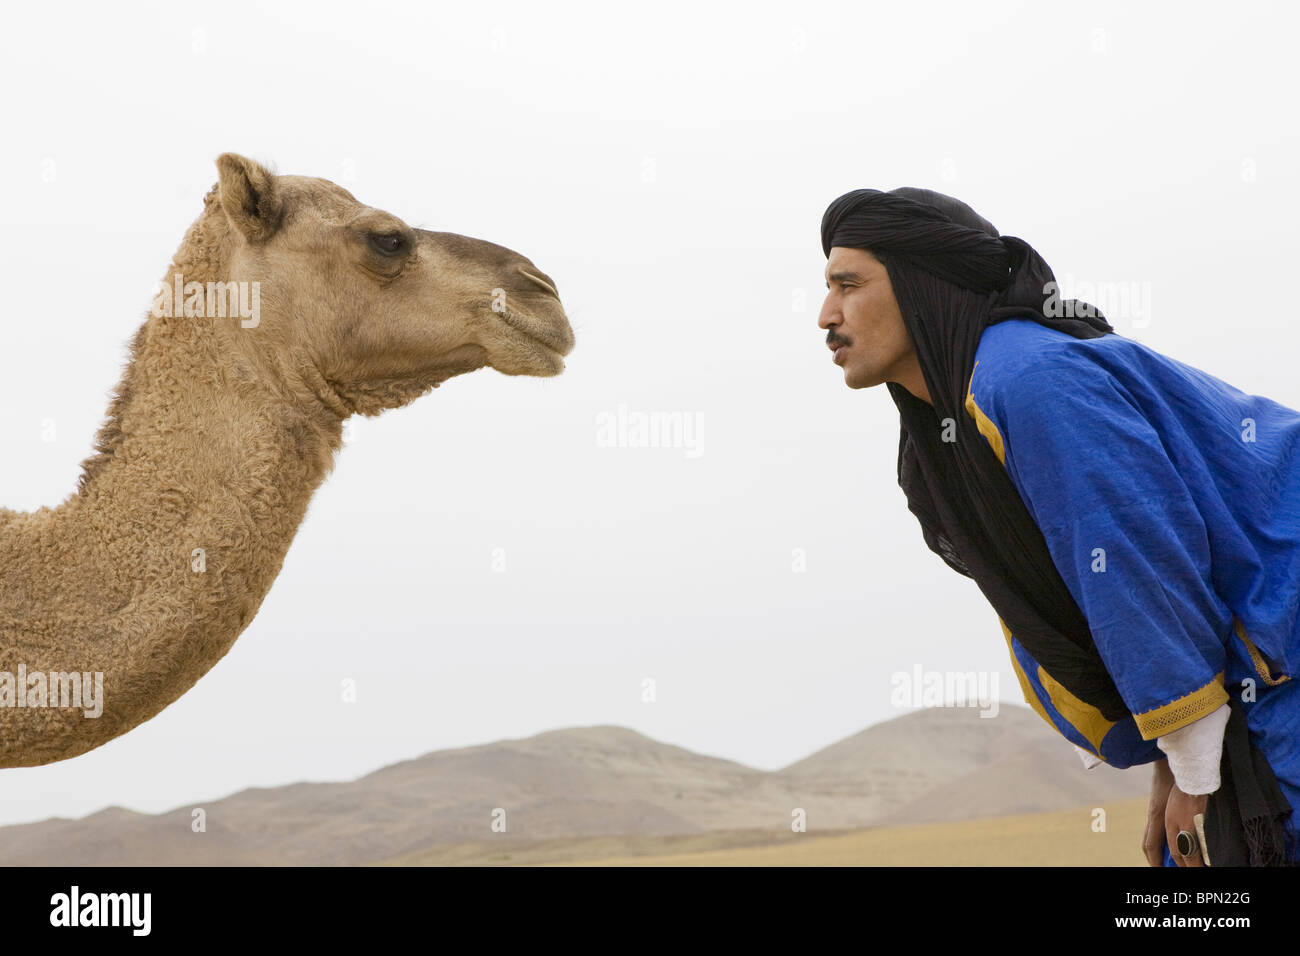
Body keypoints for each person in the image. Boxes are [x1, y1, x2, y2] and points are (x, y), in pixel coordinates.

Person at [818, 187, 1299, 867]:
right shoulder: (955, 426)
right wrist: (1177, 754)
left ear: (924, 285)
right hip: (1257, 685)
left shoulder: (1029, 378)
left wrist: (1195, 769)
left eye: (848, 283)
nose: (825, 315)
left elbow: (1134, 554)